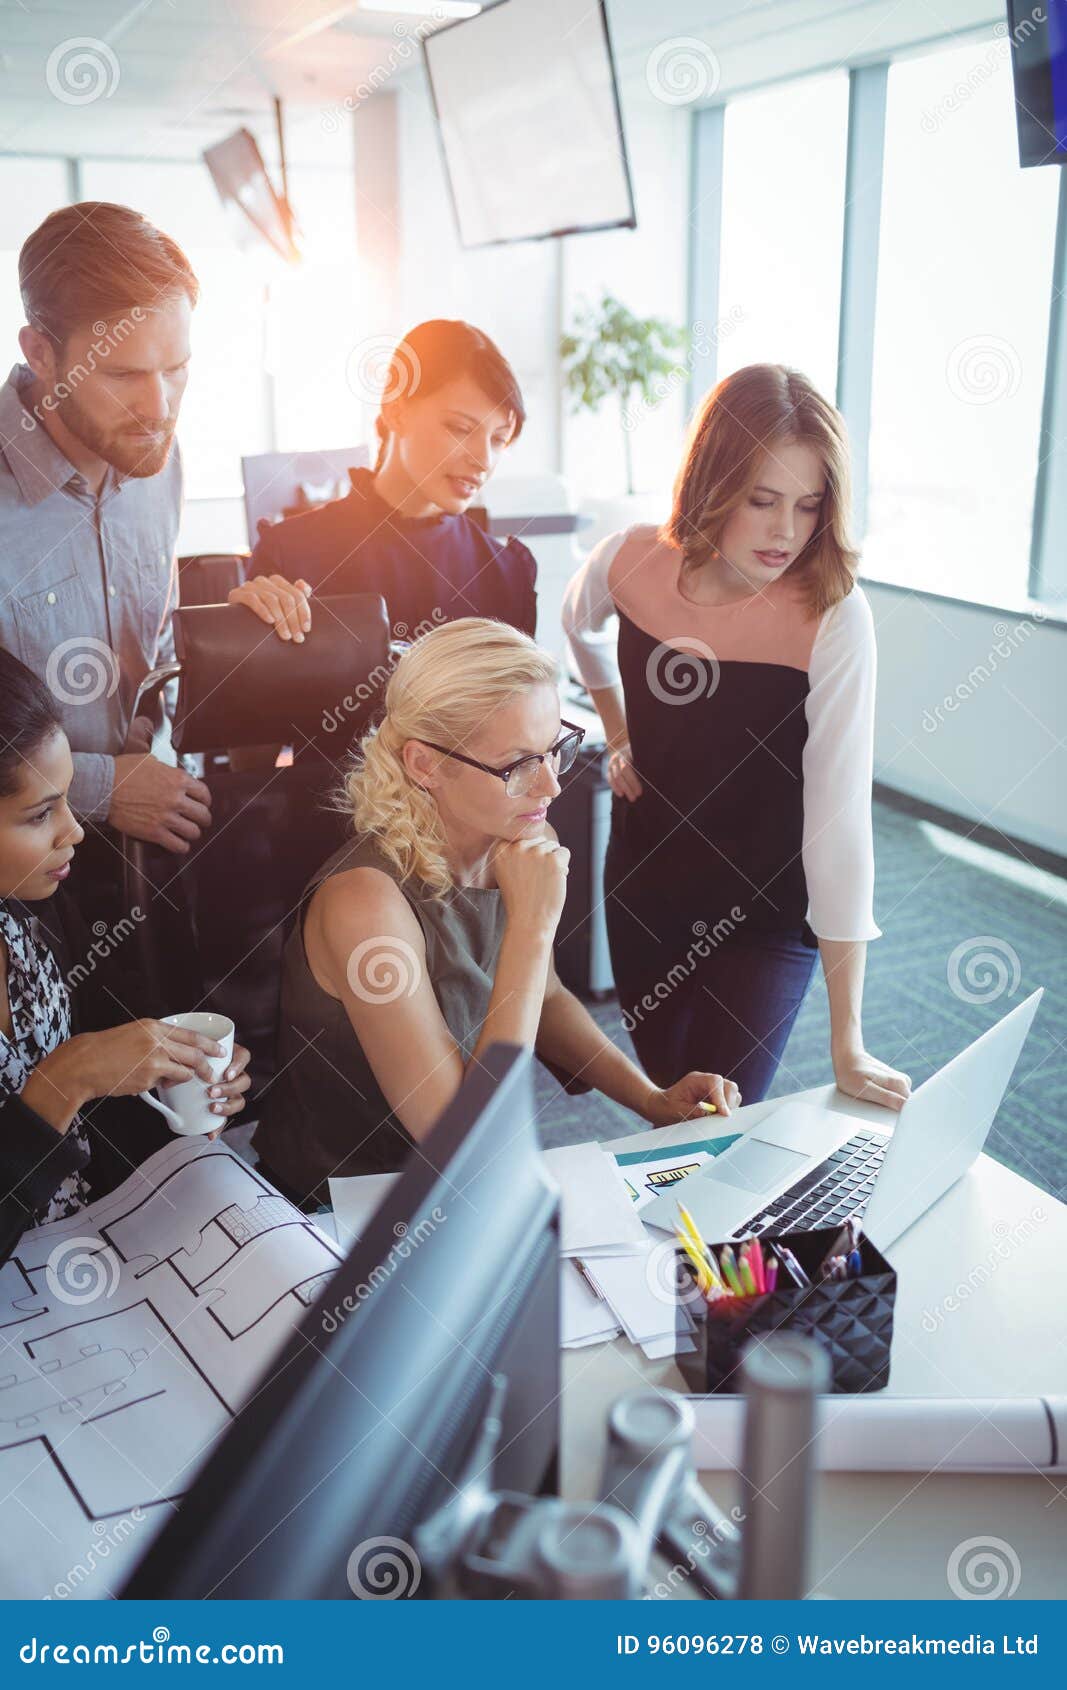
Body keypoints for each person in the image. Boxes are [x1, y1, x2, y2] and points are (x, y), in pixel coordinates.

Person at [252, 618, 739, 1207]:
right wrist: (533, 928)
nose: (552, 788)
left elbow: (545, 998)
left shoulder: (510, 836)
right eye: (517, 766)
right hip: (352, 1212)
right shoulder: (365, 906)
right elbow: (463, 1145)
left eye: (555, 748)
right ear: (425, 765)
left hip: (473, 1193)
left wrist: (650, 1099)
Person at [562, 363, 912, 1111]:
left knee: (720, 1124)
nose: (786, 531)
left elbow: (839, 823)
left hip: (764, 912)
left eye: (808, 505)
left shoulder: (831, 616)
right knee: (668, 1109)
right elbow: (577, 625)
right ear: (713, 482)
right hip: (645, 883)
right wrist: (617, 729)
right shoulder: (630, 560)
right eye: (762, 500)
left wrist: (845, 1039)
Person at [0, 648, 252, 1266]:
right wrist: (65, 1081)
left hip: (91, 1254)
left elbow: (122, 1028)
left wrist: (178, 1071)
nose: (76, 830)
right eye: (41, 815)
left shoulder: (34, 908)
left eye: (66, 799)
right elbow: (82, 1071)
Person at [0, 202, 212, 868]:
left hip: (150, 845)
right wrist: (98, 789)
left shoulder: (159, 458)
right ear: (39, 352)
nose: (160, 408)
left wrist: (241, 638)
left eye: (175, 368)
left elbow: (156, 639)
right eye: (122, 374)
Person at [228, 320, 538, 652]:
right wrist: (232, 633)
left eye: (499, 440)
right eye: (461, 428)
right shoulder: (288, 556)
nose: (483, 460)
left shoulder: (506, 574)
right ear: (396, 411)